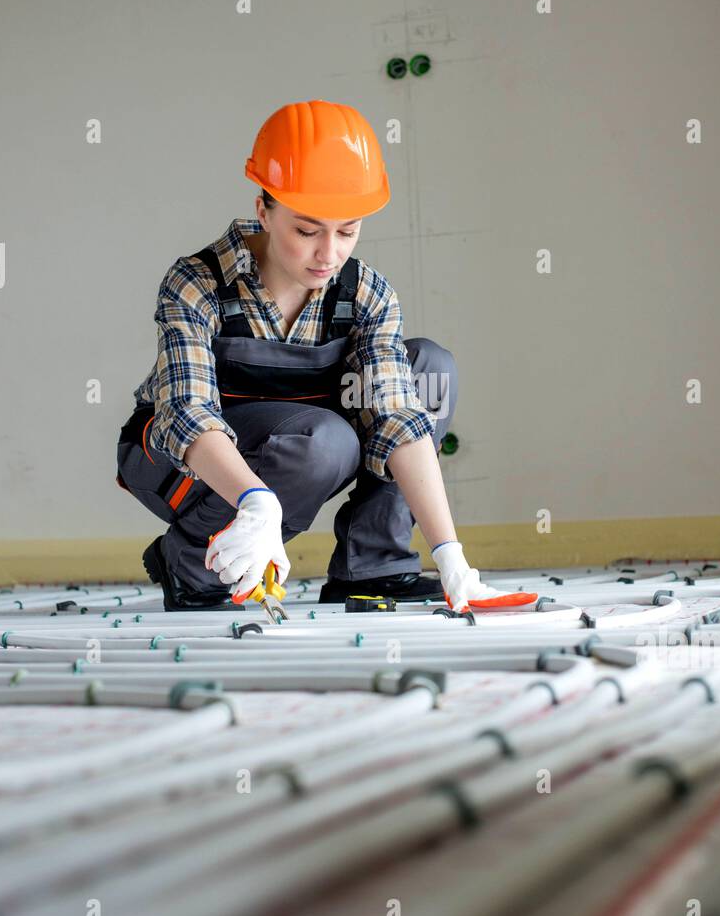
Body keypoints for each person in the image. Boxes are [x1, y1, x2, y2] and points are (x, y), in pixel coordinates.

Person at [115, 100, 538, 614]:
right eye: (307, 231)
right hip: (183, 462)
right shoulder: (198, 282)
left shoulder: (365, 294)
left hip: (307, 440)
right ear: (263, 210)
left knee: (427, 369)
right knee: (322, 441)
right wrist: (256, 502)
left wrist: (451, 557)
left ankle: (374, 565)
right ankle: (189, 563)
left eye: (347, 231)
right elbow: (187, 412)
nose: (329, 255)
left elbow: (397, 416)